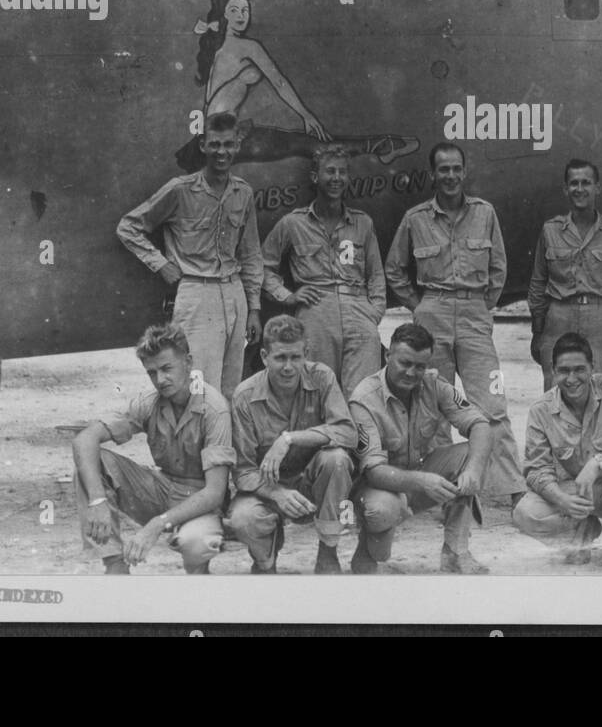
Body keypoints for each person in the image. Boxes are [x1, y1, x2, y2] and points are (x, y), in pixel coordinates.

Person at [383, 142, 524, 503]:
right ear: (433, 174)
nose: (450, 176)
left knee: (492, 402)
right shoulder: (416, 219)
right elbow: (395, 269)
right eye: (443, 169)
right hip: (433, 312)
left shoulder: (484, 213)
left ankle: (510, 487)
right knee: (434, 404)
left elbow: (498, 268)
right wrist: (421, 306)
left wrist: (481, 306)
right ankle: (441, 490)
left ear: (465, 171)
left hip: (475, 314)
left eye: (455, 169)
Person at [175, 0, 416, 170]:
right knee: (309, 145)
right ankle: (382, 145)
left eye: (245, 9)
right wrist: (306, 115)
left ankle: (381, 145)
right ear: (224, 14)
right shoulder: (247, 47)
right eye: (234, 10)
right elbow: (278, 82)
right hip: (229, 138)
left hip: (215, 136)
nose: (242, 15)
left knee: (304, 145)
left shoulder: (217, 44)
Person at [118, 111, 263, 396]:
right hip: (197, 295)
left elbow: (251, 254)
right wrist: (160, 264)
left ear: (237, 146)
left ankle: (221, 442)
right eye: (215, 144)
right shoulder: (180, 190)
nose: (222, 152)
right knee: (196, 385)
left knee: (230, 386)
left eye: (229, 144)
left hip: (234, 295)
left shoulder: (242, 193)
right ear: (202, 146)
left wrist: (254, 308)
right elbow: (128, 227)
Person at [72, 323, 234, 575]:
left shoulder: (214, 409)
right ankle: (115, 567)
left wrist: (156, 525)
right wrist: (98, 500)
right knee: (90, 465)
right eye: (152, 372)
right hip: (161, 489)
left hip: (200, 500)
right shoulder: (150, 402)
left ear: (188, 362)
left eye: (167, 368)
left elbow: (214, 493)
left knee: (196, 543)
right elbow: (84, 439)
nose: (160, 380)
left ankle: (199, 579)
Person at [347, 323, 494, 574]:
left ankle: (455, 551)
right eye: (404, 363)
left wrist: (473, 470)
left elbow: (480, 424)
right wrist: (423, 481)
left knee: (473, 455)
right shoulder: (364, 399)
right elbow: (374, 472)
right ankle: (367, 546)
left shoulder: (433, 384)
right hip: (377, 488)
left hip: (417, 473)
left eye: (420, 366)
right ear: (387, 356)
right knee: (382, 512)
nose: (411, 373)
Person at [513, 332, 602, 574]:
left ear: (592, 367)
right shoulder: (540, 410)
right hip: (575, 490)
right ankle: (580, 534)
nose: (572, 379)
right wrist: (562, 500)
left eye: (579, 369)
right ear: (553, 370)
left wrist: (597, 463)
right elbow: (536, 470)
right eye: (564, 370)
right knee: (524, 513)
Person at [226, 315, 357, 574]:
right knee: (243, 519)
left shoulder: (321, 377)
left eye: (296, 357)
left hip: (311, 484)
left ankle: (328, 552)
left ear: (305, 353)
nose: (288, 367)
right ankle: (265, 559)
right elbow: (243, 471)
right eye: (280, 358)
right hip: (266, 489)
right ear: (264, 356)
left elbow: (347, 432)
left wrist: (289, 438)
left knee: (337, 459)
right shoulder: (244, 396)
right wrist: (277, 494)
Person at [260, 144, 386, 396]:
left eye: (342, 172)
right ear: (316, 177)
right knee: (317, 391)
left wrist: (375, 312)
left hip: (358, 309)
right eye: (330, 172)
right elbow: (262, 267)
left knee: (363, 394)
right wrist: (288, 296)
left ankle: (359, 436)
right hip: (316, 311)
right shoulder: (293, 223)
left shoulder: (362, 222)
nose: (337, 178)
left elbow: (376, 274)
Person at [527, 159, 602, 391]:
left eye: (586, 183)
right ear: (565, 188)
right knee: (556, 392)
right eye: (574, 183)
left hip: (601, 318)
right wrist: (537, 331)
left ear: (597, 187)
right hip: (559, 316)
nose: (580, 189)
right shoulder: (550, 230)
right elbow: (538, 283)